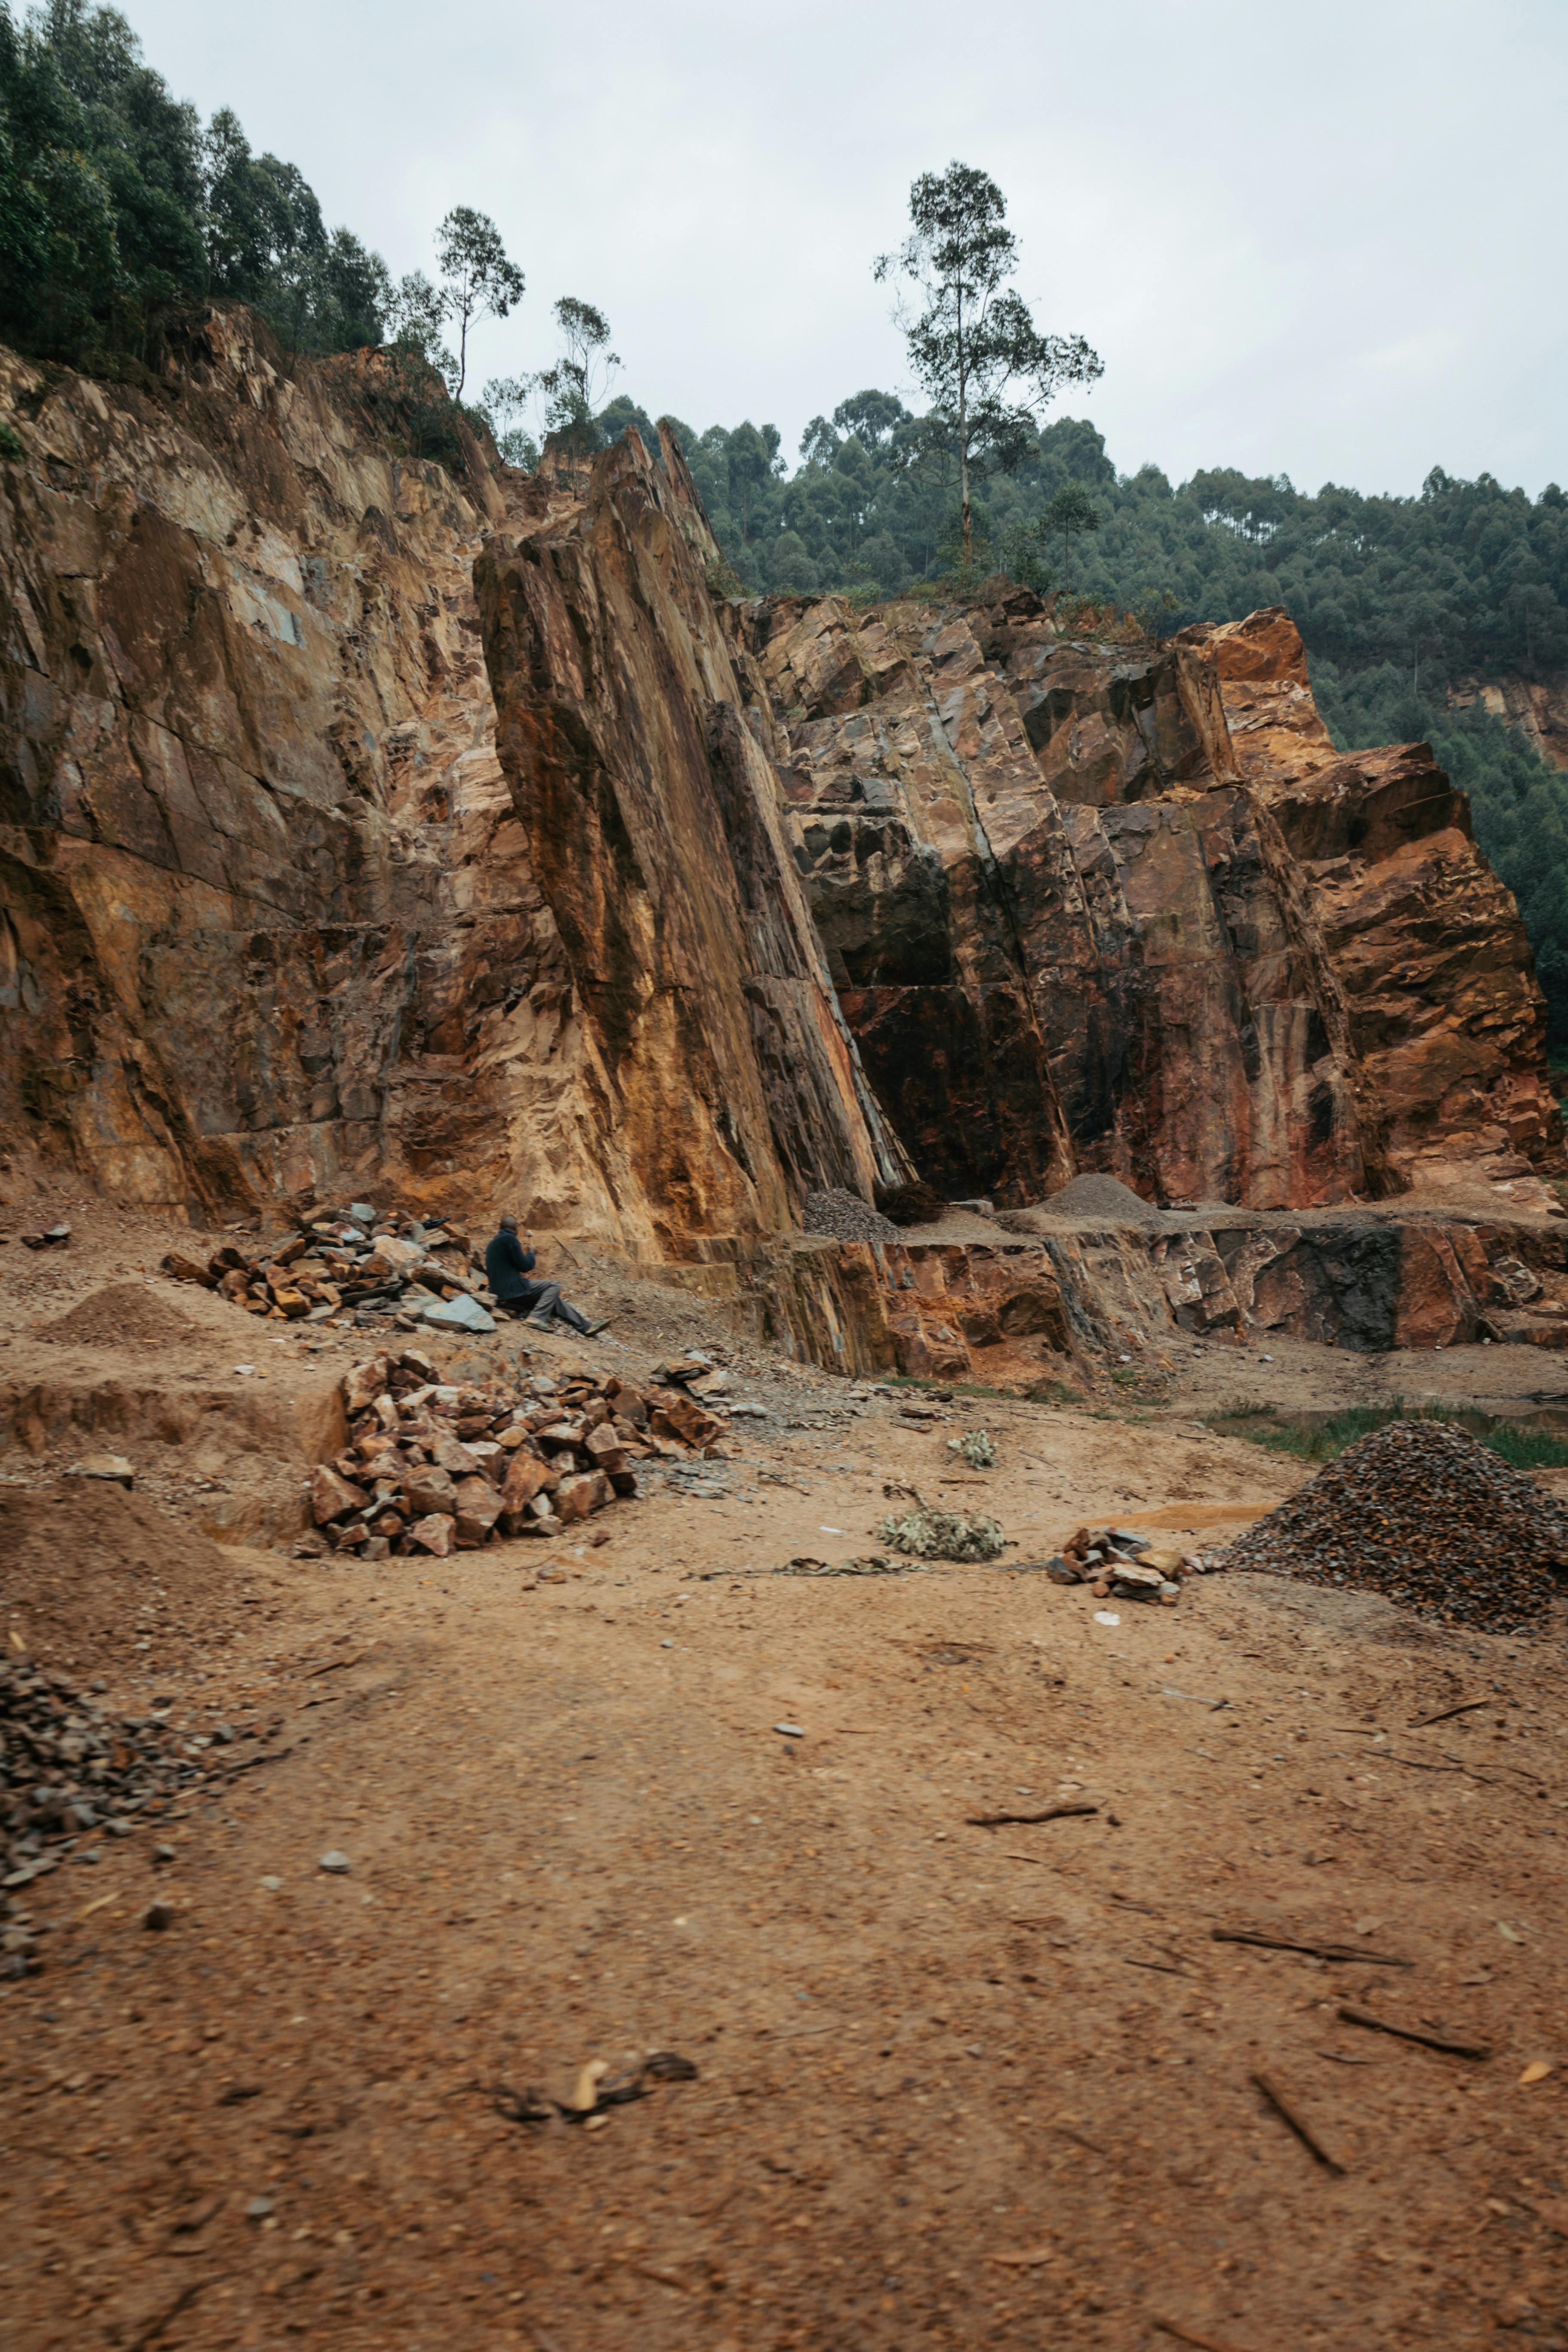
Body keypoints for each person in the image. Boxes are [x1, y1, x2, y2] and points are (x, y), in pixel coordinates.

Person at [484, 1214, 608, 1335]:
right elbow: (526, 1266)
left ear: (500, 1227)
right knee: (554, 1286)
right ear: (516, 1227)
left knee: (553, 1300)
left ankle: (586, 1327)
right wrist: (532, 1253)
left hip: (499, 1294)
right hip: (512, 1291)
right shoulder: (510, 1239)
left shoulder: (492, 1244)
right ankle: (536, 1318)